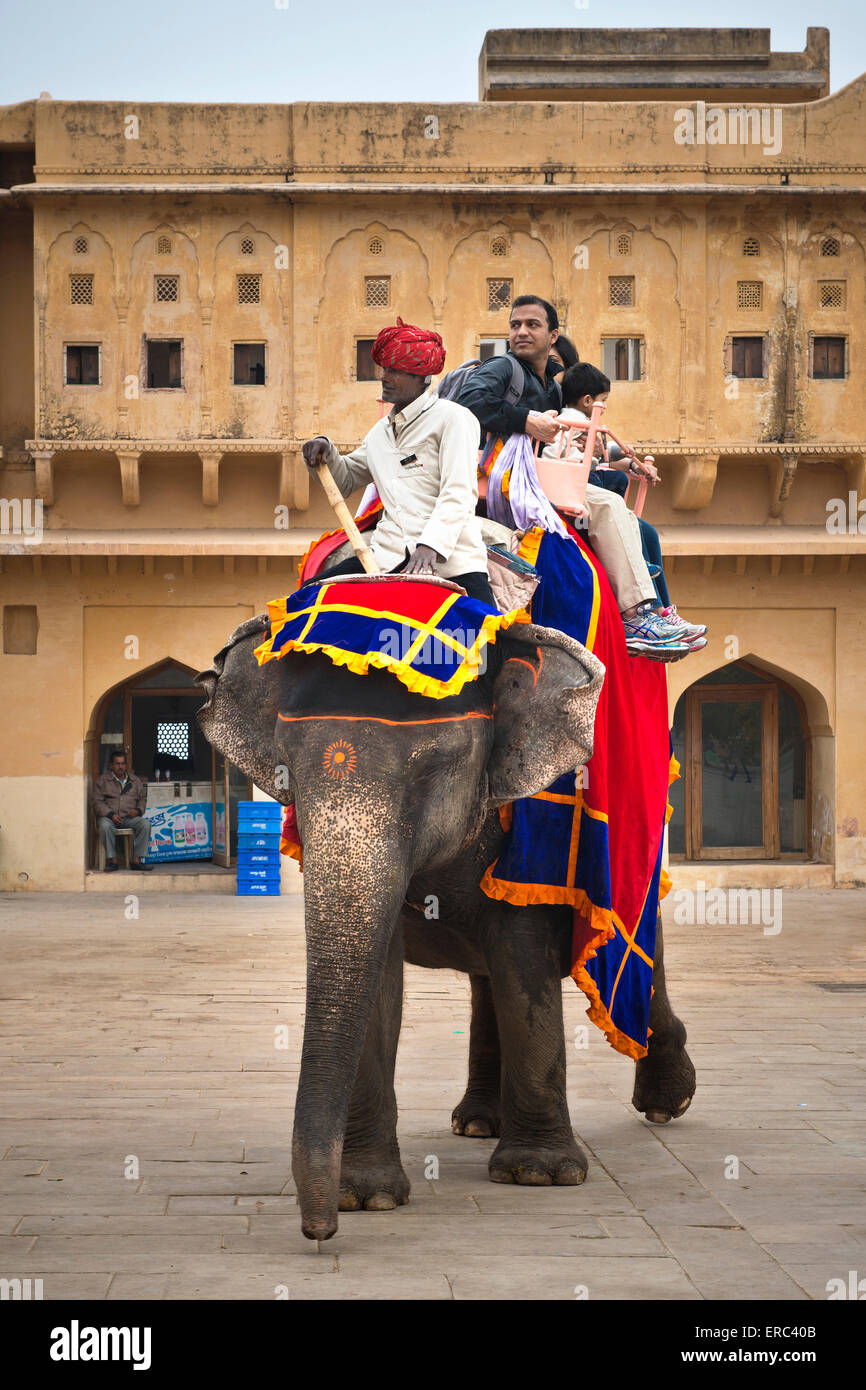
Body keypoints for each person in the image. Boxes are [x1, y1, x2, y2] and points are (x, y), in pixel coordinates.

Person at [302, 318, 496, 608]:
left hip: (453, 561)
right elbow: (344, 481)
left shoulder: (452, 418)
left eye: (396, 371)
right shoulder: (380, 432)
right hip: (385, 561)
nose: (385, 377)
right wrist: (324, 450)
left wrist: (430, 546)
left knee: (491, 641)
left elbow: (458, 493)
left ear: (422, 378)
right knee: (305, 600)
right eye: (385, 369)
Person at [546, 362, 707, 655]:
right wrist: (593, 455)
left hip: (571, 482)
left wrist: (620, 460)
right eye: (602, 402)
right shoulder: (574, 423)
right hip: (562, 486)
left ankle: (654, 607)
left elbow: (602, 455)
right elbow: (565, 458)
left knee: (630, 518)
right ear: (587, 401)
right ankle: (636, 613)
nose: (604, 407)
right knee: (613, 504)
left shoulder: (571, 422)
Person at [457, 295, 563, 449]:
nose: (521, 332)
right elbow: (469, 400)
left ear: (553, 336)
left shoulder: (555, 388)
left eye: (532, 325)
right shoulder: (503, 366)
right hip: (488, 471)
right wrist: (526, 422)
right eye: (515, 325)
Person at [92, 751, 153, 871]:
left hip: (128, 818)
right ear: (111, 765)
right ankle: (112, 861)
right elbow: (97, 802)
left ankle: (136, 861)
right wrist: (111, 814)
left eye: (123, 764)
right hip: (108, 818)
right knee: (104, 826)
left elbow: (142, 799)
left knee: (145, 824)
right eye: (117, 764)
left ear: (126, 765)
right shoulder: (102, 781)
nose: (120, 767)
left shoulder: (135, 781)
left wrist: (138, 811)